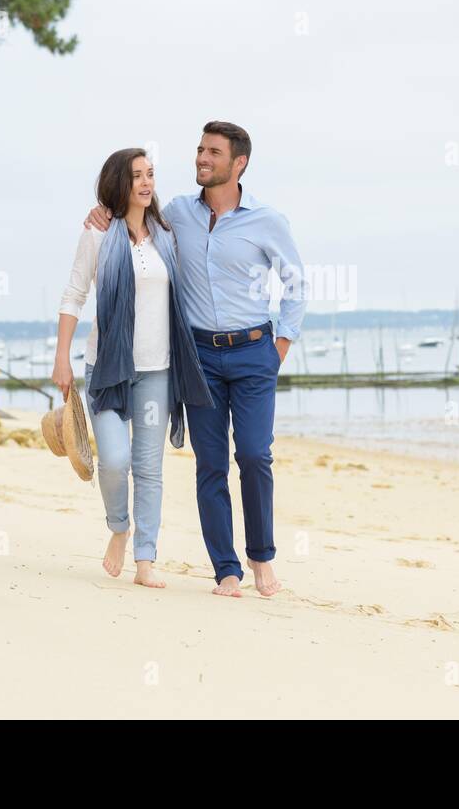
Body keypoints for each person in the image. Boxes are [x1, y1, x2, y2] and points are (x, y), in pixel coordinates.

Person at [86, 121, 307, 598]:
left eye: (213, 152)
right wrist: (101, 212)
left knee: (253, 454)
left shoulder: (267, 221)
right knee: (210, 463)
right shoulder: (178, 214)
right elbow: (132, 217)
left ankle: (261, 557)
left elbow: (296, 284)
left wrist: (280, 347)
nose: (202, 159)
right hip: (198, 356)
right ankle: (226, 570)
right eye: (200, 150)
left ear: (238, 163)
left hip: (253, 353)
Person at [54, 147, 212, 589]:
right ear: (118, 184)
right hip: (107, 368)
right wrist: (61, 356)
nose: (146, 183)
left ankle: (146, 560)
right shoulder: (98, 235)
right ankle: (118, 527)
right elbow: (73, 295)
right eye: (137, 176)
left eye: (150, 174)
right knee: (113, 461)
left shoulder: (166, 232)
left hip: (157, 370)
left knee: (148, 468)